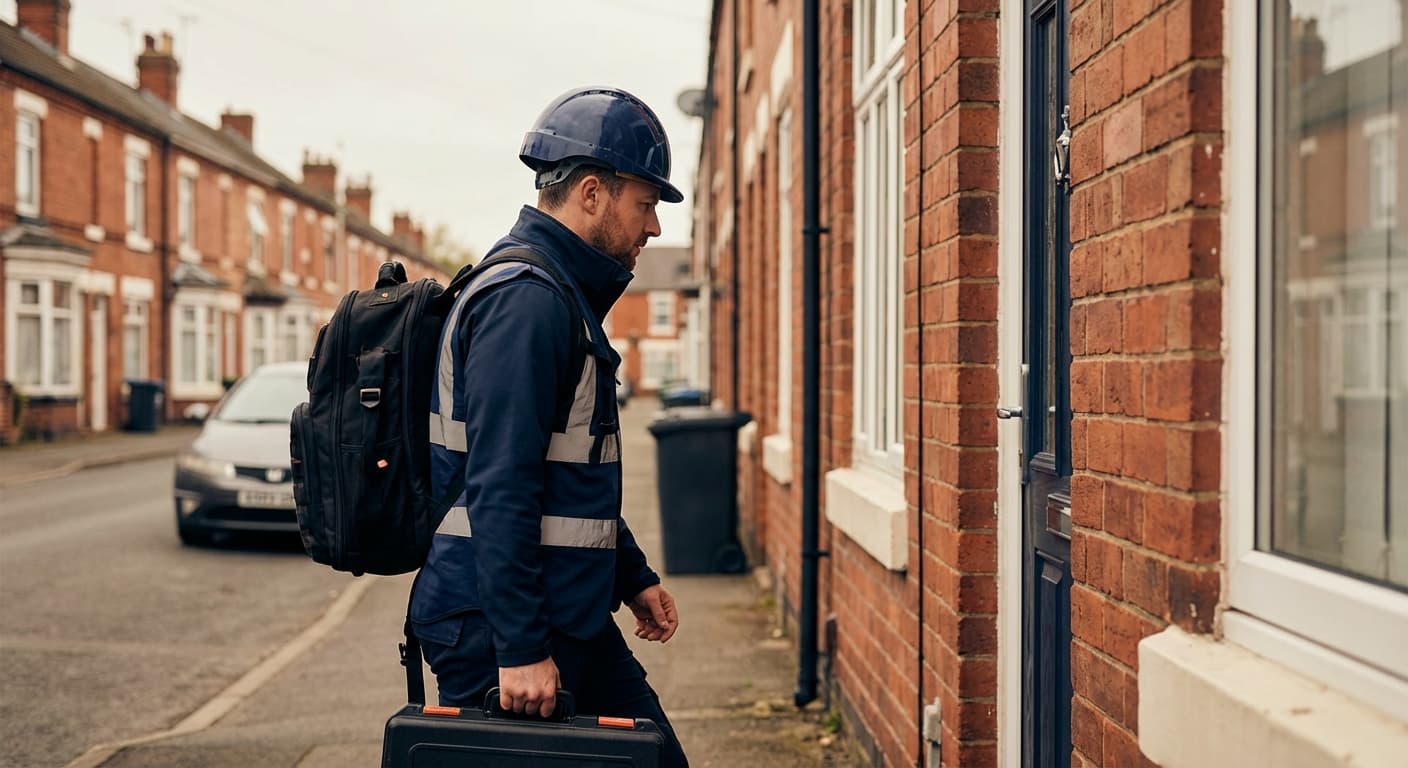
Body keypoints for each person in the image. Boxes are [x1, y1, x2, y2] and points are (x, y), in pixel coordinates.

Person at [409, 86, 689, 767]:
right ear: (591, 193)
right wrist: (522, 648)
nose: (653, 229)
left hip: (564, 611)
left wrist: (631, 576)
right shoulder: (527, 302)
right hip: (502, 627)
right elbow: (502, 485)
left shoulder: (557, 293)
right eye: (645, 204)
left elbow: (566, 475)